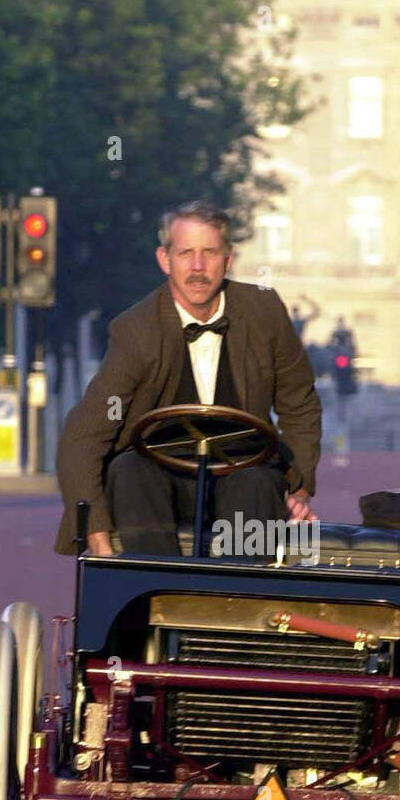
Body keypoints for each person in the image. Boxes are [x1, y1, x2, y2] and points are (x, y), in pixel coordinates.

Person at [54, 200, 321, 557]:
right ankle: (153, 593)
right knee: (129, 469)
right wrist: (97, 531)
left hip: (244, 471)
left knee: (258, 481)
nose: (198, 268)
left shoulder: (265, 311)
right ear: (164, 260)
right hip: (160, 478)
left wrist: (299, 488)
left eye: (209, 253)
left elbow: (300, 404)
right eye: (185, 254)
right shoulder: (135, 330)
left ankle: (238, 600)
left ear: (228, 259)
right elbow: (83, 435)